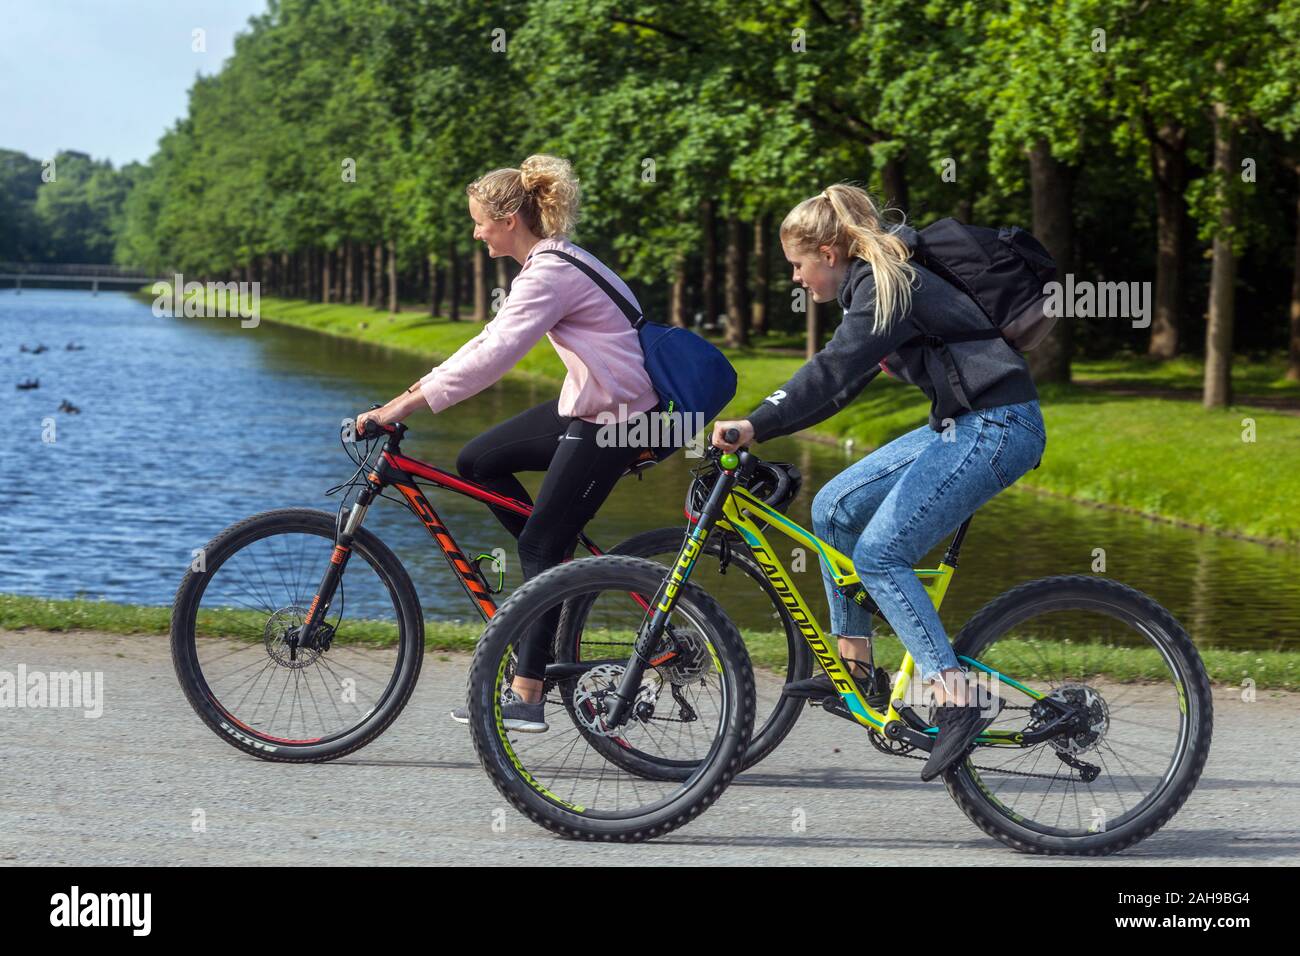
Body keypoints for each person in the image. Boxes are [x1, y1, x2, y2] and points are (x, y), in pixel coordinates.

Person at [711, 183, 1047, 781]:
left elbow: (832, 367)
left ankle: (954, 696)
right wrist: (766, 423)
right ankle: (857, 667)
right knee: (837, 506)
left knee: (881, 554)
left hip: (996, 427)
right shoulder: (878, 286)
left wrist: (754, 423)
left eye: (797, 263)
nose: (795, 277)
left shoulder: (886, 285)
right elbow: (842, 384)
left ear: (828, 253)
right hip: (962, 425)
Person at [356, 154, 667, 733]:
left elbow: (494, 359)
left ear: (507, 218)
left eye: (479, 221)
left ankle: (528, 691)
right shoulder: (551, 263)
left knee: (541, 549)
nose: (475, 232)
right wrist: (409, 393)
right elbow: (485, 341)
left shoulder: (550, 273)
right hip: (597, 400)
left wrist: (397, 409)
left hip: (618, 417)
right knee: (477, 462)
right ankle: (557, 583)